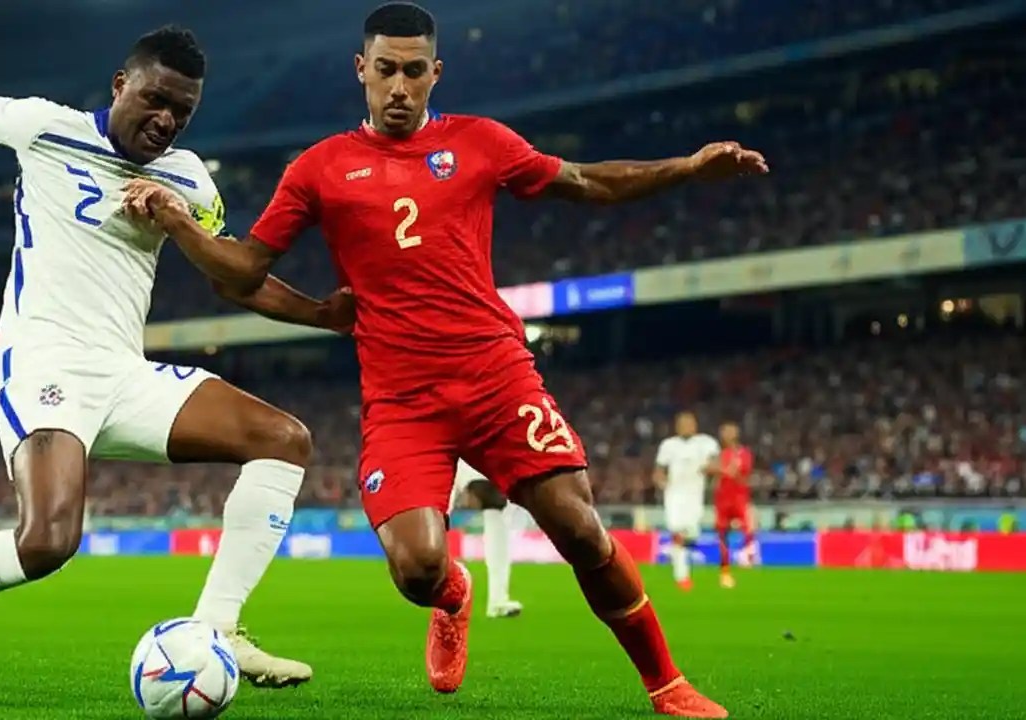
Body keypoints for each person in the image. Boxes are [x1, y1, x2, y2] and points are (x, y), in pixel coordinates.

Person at [122, 4, 766, 716]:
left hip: (497, 376)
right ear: (361, 70)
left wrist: (686, 168)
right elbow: (241, 272)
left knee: (580, 529)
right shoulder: (320, 168)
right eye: (387, 70)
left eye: (415, 71)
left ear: (436, 73)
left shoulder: (481, 142)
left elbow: (585, 182)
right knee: (417, 568)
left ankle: (666, 684)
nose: (400, 87)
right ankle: (454, 595)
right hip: (403, 402)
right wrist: (181, 223)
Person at [0, 26, 350, 709]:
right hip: (44, 365)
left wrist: (322, 313)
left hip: (123, 373)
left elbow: (235, 279)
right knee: (46, 542)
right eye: (155, 99)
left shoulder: (189, 177)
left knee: (283, 439)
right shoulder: (47, 128)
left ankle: (216, 629)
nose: (165, 120)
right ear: (121, 85)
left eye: (182, 112)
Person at [653, 412, 720, 592]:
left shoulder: (706, 443)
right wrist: (661, 482)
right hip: (674, 494)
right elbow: (659, 469)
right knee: (678, 533)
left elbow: (716, 464)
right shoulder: (669, 445)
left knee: (690, 534)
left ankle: (678, 555)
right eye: (682, 423)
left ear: (695, 425)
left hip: (695, 494)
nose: (686, 426)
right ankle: (681, 576)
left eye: (689, 423)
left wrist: (711, 469)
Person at [449, 460, 522, 618]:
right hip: (450, 450)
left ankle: (498, 601)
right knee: (437, 513)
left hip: (482, 452)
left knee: (498, 511)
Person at [714, 422, 756, 588]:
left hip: (739, 497)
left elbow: (743, 475)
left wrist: (730, 471)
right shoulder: (719, 454)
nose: (726, 434)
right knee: (722, 534)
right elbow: (714, 472)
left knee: (748, 528)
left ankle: (747, 555)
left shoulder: (744, 453)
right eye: (723, 431)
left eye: (729, 431)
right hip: (722, 499)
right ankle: (725, 572)